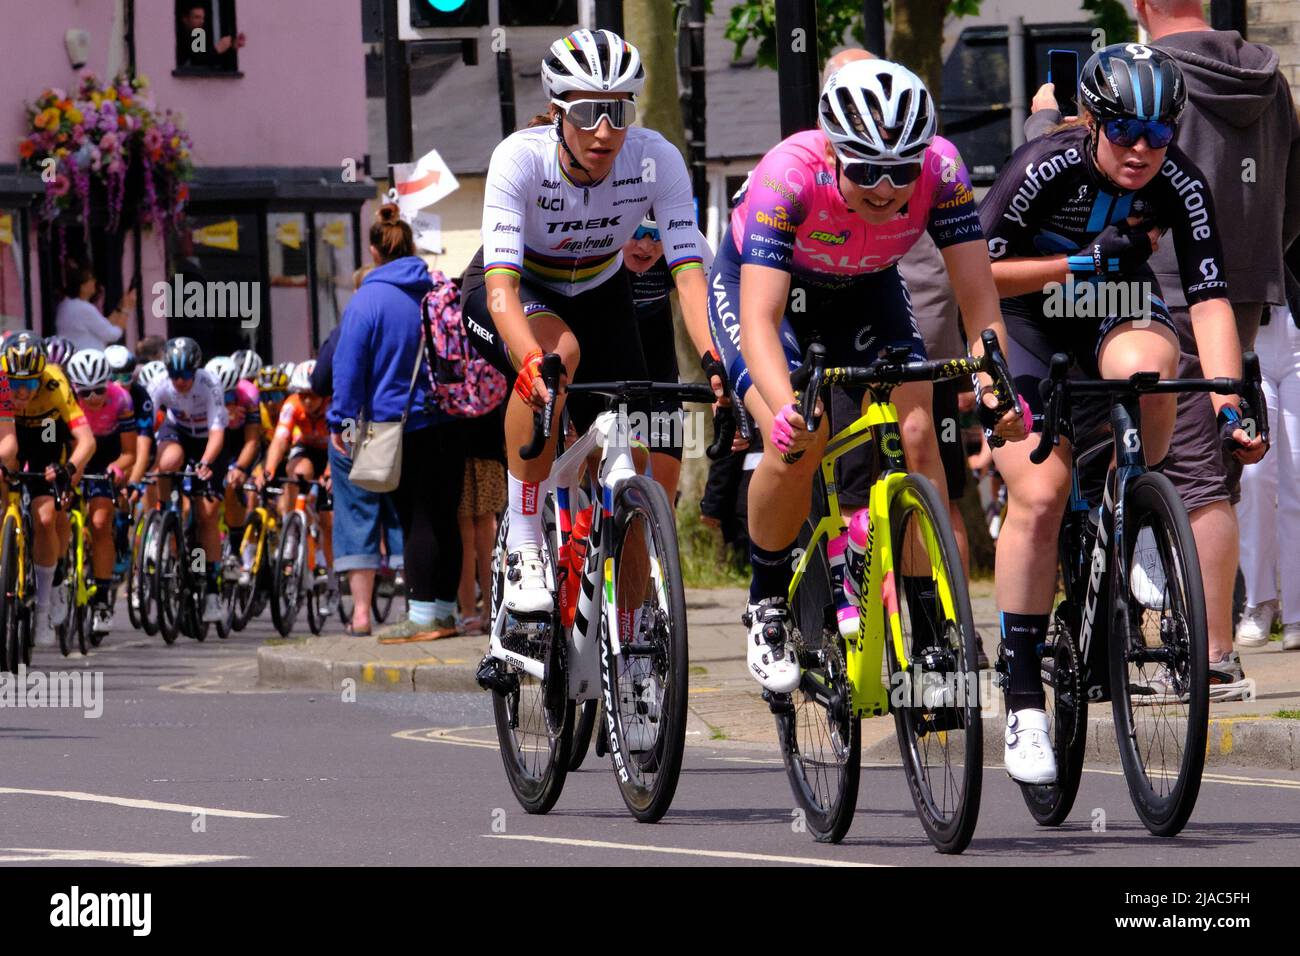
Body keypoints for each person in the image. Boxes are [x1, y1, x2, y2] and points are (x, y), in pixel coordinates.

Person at [983, 44, 1265, 783]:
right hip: (1027, 318)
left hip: (1114, 305)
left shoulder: (1180, 180)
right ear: (1092, 122)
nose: (1143, 150)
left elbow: (1206, 299)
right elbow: (977, 267)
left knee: (1151, 370)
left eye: (1159, 134)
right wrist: (1075, 264)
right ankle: (1021, 700)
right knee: (1040, 495)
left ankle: (1137, 504)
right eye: (1126, 133)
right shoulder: (1044, 167)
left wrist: (1231, 399)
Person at [712, 58, 1026, 695]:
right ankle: (767, 596)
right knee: (802, 434)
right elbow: (762, 318)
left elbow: (977, 298)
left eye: (900, 173)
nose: (886, 190)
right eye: (865, 171)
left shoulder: (941, 169)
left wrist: (995, 391)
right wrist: (785, 411)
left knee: (914, 437)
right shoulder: (788, 175)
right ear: (831, 152)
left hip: (866, 283)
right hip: (772, 292)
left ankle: (933, 627)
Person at [459, 28, 717, 622]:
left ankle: (628, 636)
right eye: (587, 112)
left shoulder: (656, 158)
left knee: (638, 452)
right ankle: (525, 534)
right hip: (517, 290)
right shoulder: (519, 158)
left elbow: (689, 274)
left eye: (619, 111)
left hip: (601, 288)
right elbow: (500, 290)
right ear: (556, 112)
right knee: (560, 355)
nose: (605, 130)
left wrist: (713, 358)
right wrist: (529, 361)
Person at [330, 204, 456, 642]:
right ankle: (445, 609)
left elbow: (347, 368)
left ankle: (421, 617)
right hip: (450, 414)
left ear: (373, 250)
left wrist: (340, 421)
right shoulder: (435, 288)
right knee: (444, 515)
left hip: (396, 423)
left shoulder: (368, 299)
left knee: (414, 515)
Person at [0, 333, 97, 646]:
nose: (23, 390)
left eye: (30, 383)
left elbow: (86, 441)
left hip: (46, 430)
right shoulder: (2, 381)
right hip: (9, 426)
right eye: (16, 383)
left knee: (45, 517)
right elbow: (7, 440)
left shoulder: (55, 383)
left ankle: (44, 606)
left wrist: (68, 469)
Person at [147, 336, 228, 623]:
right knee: (166, 463)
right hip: (178, 431)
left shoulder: (210, 384)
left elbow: (218, 432)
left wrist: (206, 463)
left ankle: (213, 593)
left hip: (208, 440)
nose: (179, 382)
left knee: (207, 514)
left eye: (185, 375)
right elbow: (145, 425)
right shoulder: (160, 383)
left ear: (195, 370)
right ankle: (164, 513)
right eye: (174, 375)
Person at [1237, 292, 1300, 651]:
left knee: (1297, 480)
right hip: (1250, 334)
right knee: (1254, 475)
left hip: (1296, 334)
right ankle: (1259, 599)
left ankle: (1296, 613)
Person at [65, 349, 136, 635]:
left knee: (99, 523)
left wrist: (118, 469)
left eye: (99, 390)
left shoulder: (121, 399)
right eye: (86, 392)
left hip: (106, 456)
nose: (93, 398)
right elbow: (56, 441)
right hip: (74, 452)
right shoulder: (67, 400)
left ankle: (104, 599)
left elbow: (129, 452)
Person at [55, 264, 134, 352]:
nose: (94, 282)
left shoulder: (66, 304)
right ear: (82, 286)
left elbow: (104, 326)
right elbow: (113, 335)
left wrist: (119, 308)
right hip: (87, 359)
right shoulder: (83, 308)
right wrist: (126, 309)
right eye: (90, 280)